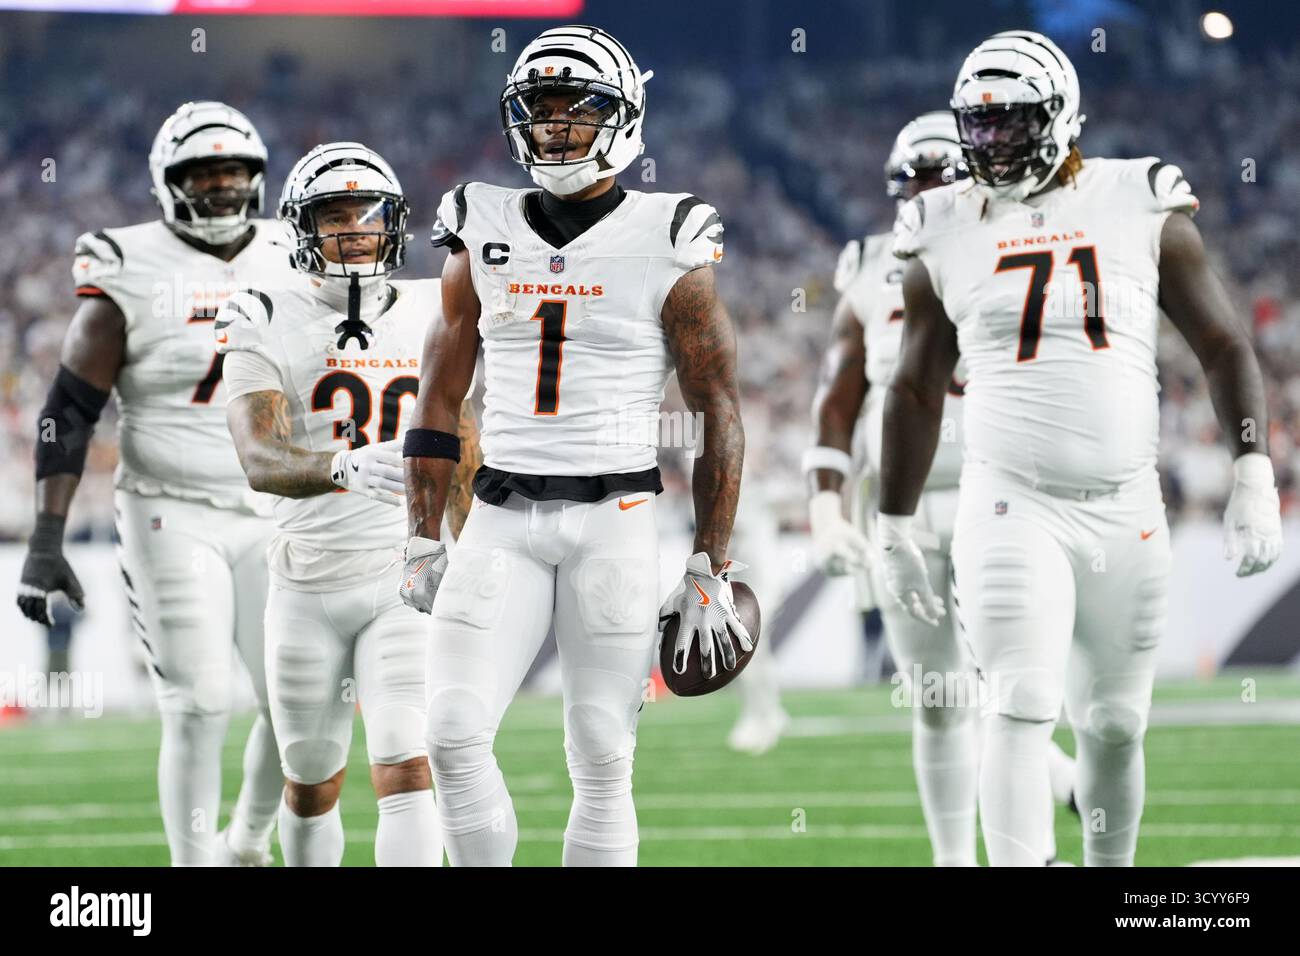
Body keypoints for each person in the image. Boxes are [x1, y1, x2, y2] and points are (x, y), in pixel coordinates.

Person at [878, 31, 1283, 866]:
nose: (988, 143)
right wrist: (892, 522)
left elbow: (1225, 345)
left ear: (1060, 116)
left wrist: (1252, 469)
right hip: (1009, 503)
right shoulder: (939, 227)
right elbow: (916, 386)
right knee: (1019, 703)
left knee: (1114, 726)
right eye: (976, 125)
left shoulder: (1138, 197)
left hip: (1127, 507)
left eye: (1009, 123)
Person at [399, 24, 749, 866]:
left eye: (577, 110)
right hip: (498, 516)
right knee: (448, 733)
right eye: (541, 110)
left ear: (623, 119)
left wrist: (712, 565)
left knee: (600, 752)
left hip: (617, 514)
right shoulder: (475, 221)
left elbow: (718, 411)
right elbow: (439, 393)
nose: (556, 127)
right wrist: (418, 533)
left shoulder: (672, 234)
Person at [17, 101, 289, 866]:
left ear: (259, 179)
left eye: (233, 172)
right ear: (168, 184)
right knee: (197, 702)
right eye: (201, 174)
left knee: (296, 703)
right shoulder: (127, 265)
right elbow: (69, 410)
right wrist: (46, 538)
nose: (220, 187)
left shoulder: (295, 247)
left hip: (283, 511)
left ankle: (248, 841)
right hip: (172, 510)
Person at [218, 142, 476, 866]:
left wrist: (480, 561)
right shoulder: (262, 311)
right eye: (336, 215)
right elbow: (258, 458)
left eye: (369, 213)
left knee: (406, 763)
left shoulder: (435, 302)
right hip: (304, 579)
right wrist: (340, 466)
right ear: (303, 226)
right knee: (309, 782)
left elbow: (463, 438)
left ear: (395, 222)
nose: (355, 228)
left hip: (405, 575)